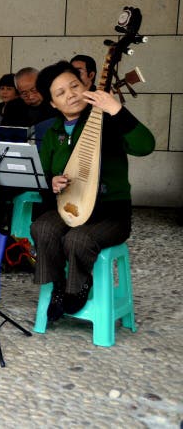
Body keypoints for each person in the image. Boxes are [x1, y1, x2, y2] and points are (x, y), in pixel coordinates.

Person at [30, 61, 154, 322]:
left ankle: (78, 286)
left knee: (78, 240)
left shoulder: (107, 121)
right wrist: (51, 182)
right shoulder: (53, 132)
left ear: (86, 85)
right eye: (61, 92)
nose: (71, 94)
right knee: (42, 228)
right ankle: (58, 285)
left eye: (74, 85)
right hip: (70, 206)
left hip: (110, 213)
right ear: (53, 103)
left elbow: (145, 146)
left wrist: (116, 109)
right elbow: (41, 174)